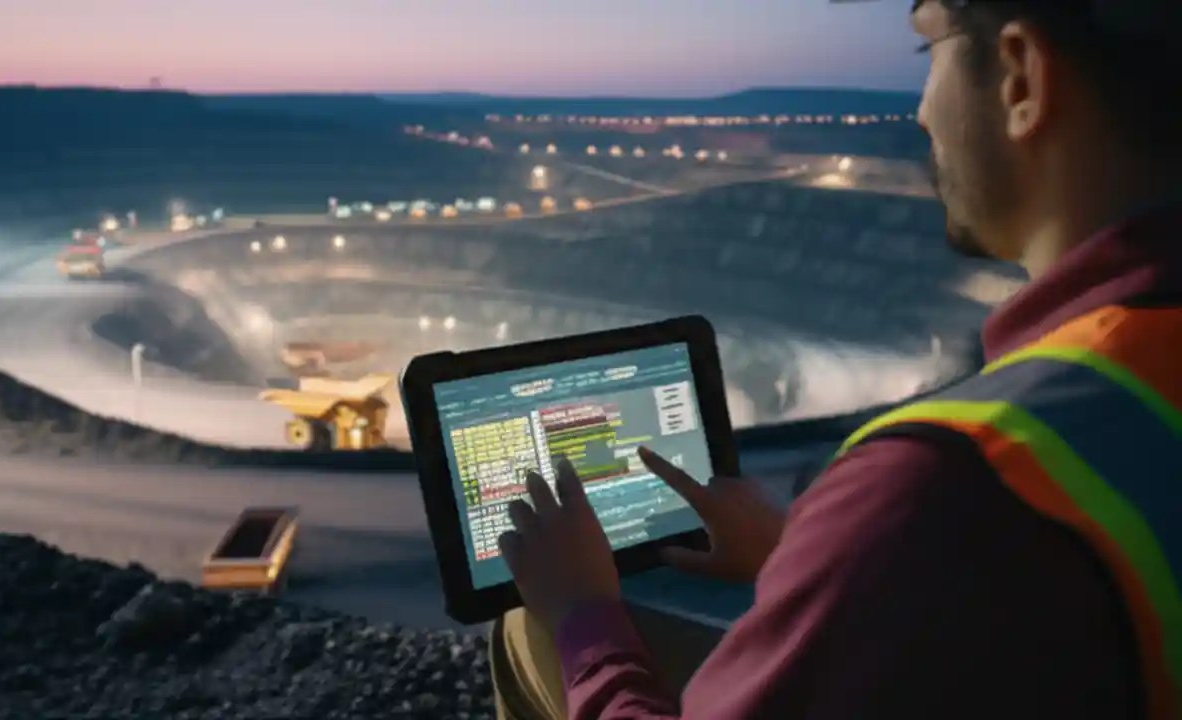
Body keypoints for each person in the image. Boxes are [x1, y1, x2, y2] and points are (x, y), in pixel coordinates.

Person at [489, 1, 1182, 718]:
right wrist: (811, 557)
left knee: (528, 628)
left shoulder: (943, 479)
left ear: (1020, 79)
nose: (919, 113)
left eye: (928, 53)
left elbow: (970, 544)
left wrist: (582, 616)